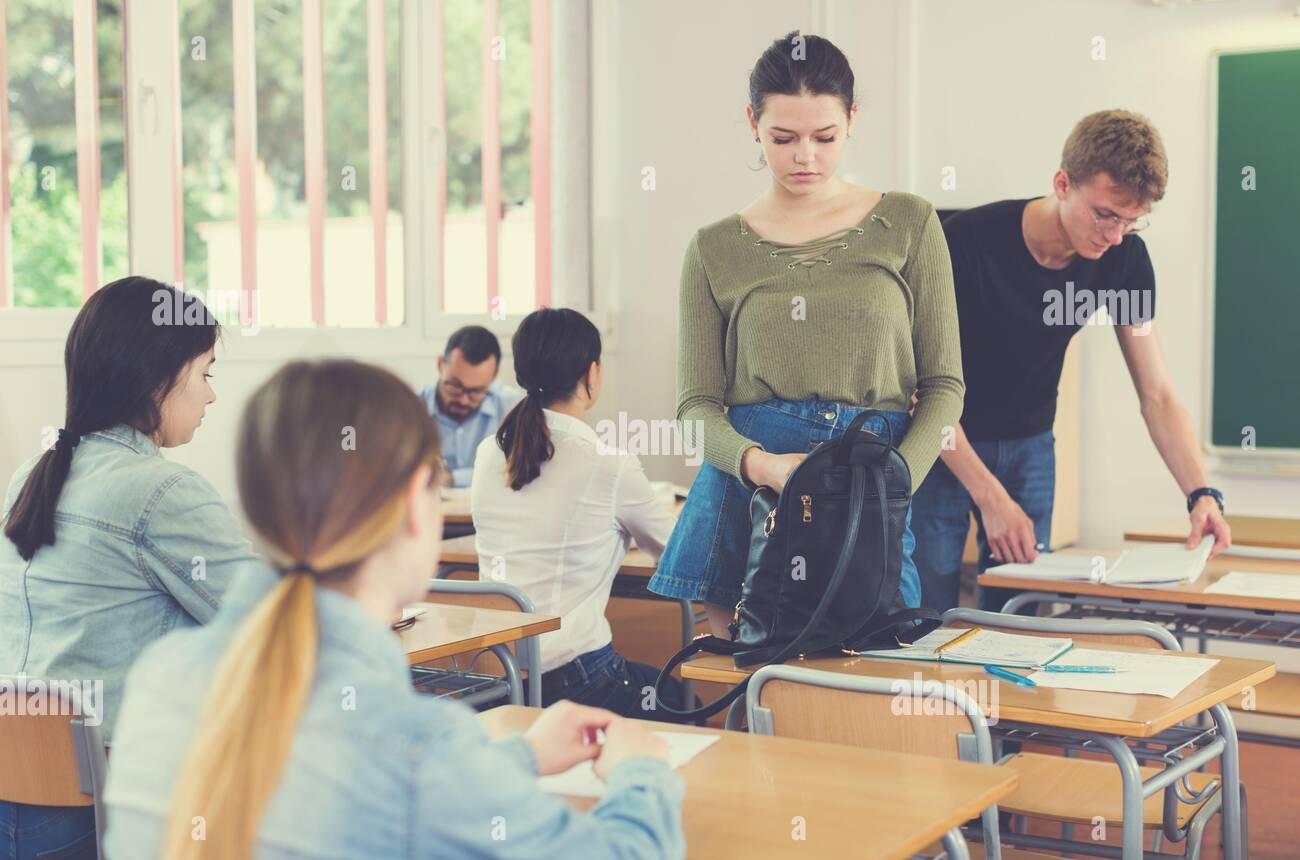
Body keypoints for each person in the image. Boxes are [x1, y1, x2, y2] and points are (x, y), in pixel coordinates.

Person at [104, 359, 685, 860]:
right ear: (414, 502)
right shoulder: (419, 748)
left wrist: (521, 757)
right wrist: (641, 773)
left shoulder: (160, 678)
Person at [647, 30, 964, 636]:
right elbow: (695, 405)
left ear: (853, 119)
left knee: (873, 686)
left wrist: (892, 483)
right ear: (752, 123)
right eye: (783, 138)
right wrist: (761, 466)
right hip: (751, 488)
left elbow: (945, 385)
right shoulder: (713, 248)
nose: (805, 159)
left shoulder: (909, 222)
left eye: (825, 137)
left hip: (872, 475)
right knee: (744, 699)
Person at [910, 110, 1232, 613]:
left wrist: (1201, 493)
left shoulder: (1124, 261)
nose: (1115, 234)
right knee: (926, 614)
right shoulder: (965, 243)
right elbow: (920, 389)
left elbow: (1157, 394)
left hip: (1030, 449)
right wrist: (992, 500)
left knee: (1020, 620)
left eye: (1131, 220)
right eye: (1105, 214)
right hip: (942, 444)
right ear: (1063, 183)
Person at [0, 276, 253, 860]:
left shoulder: (29, 476)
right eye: (207, 373)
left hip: (18, 807)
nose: (212, 397)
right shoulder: (160, 491)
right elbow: (271, 623)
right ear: (158, 378)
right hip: (101, 820)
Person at [472, 308, 690, 717]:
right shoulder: (609, 464)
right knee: (682, 701)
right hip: (575, 680)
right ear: (592, 375)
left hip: (497, 677)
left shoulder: (489, 452)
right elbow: (679, 556)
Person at [419, 325, 524, 487]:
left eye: (476, 391)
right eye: (454, 386)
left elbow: (518, 468)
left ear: (494, 376)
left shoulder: (512, 407)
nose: (463, 400)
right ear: (440, 365)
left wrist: (451, 478)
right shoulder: (412, 410)